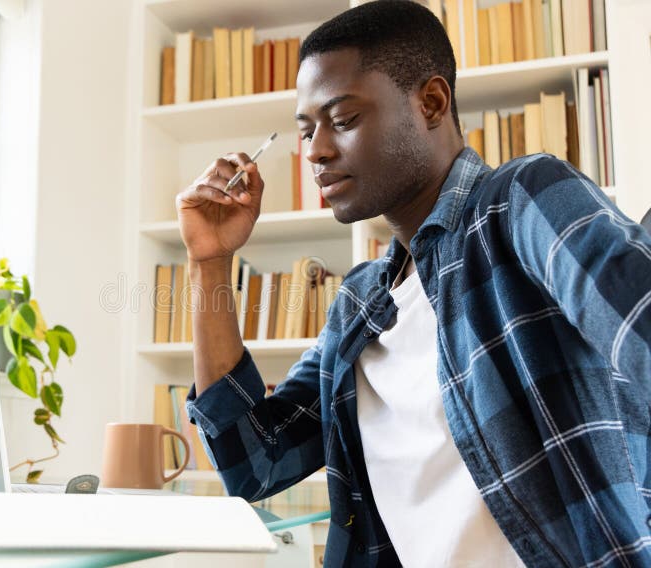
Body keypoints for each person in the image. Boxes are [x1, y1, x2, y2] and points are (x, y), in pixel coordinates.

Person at [175, 1, 651, 565]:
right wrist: (209, 263)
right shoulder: (360, 301)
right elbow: (254, 462)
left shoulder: (519, 202)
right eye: (306, 131)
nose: (317, 151)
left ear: (430, 103)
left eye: (343, 120)